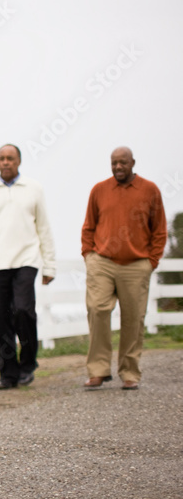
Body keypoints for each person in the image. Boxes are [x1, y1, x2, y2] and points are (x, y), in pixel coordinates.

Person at [0, 144, 56, 390]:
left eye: (10, 158)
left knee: (23, 311)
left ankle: (27, 365)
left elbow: (44, 228)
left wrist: (50, 266)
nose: (6, 162)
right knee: (2, 319)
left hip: (26, 261)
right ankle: (8, 373)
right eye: (1, 158)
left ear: (19, 161)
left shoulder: (33, 189)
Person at [81, 147, 167, 390]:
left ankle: (129, 372)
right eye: (114, 163)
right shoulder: (99, 190)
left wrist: (151, 262)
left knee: (134, 319)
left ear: (132, 163)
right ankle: (98, 370)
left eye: (123, 163)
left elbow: (159, 229)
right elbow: (88, 226)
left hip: (136, 264)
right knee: (97, 310)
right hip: (102, 262)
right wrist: (89, 255)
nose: (118, 167)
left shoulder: (150, 190)